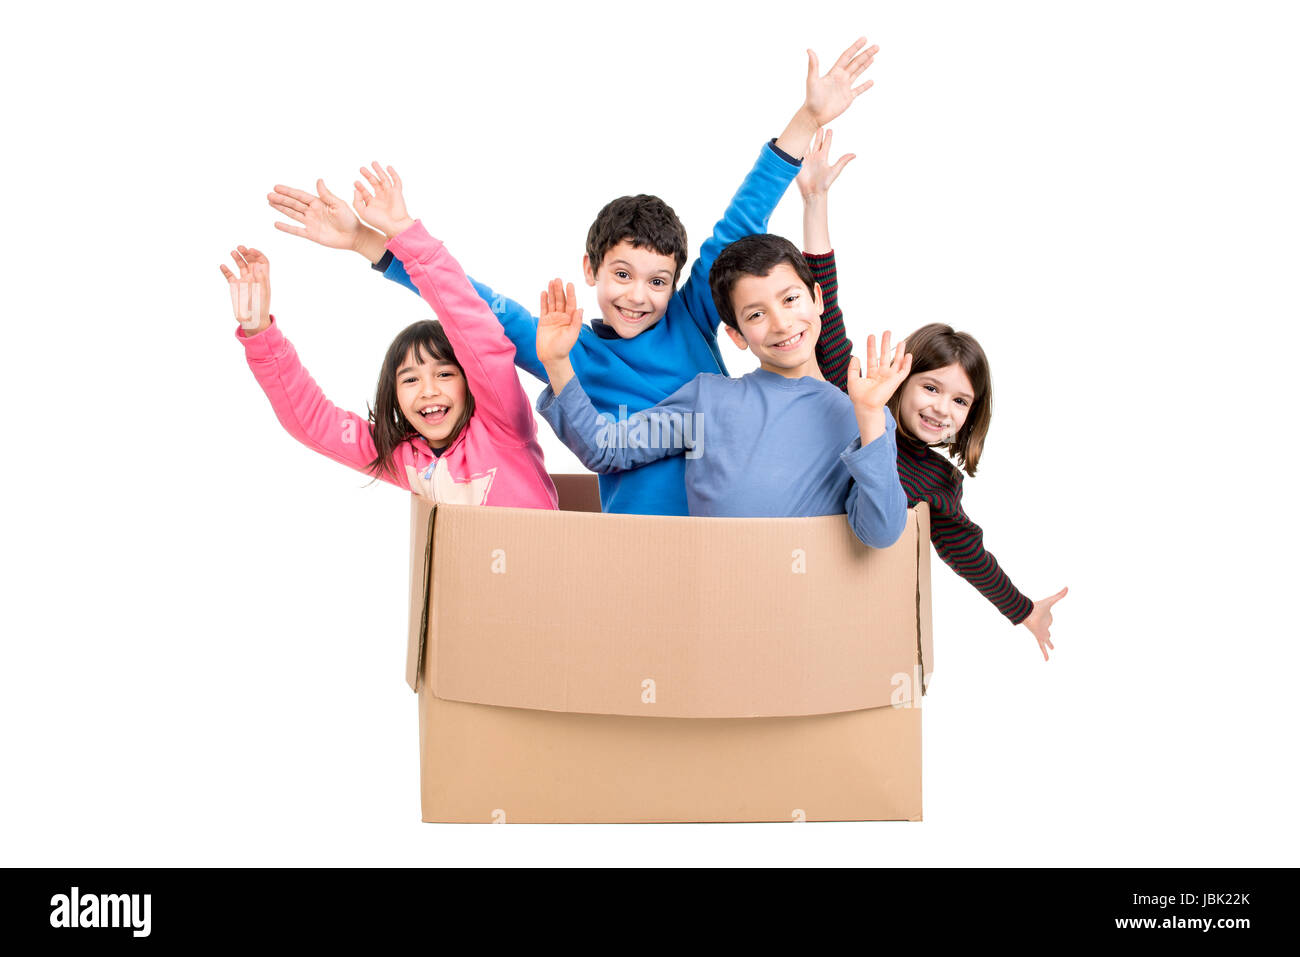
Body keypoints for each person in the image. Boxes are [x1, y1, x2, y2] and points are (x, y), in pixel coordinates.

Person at [267, 38, 880, 515]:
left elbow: (741, 219)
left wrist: (806, 118)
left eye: (657, 281)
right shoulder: (564, 347)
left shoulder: (692, 318)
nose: (638, 296)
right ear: (590, 270)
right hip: (636, 555)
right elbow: (469, 305)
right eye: (621, 274)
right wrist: (366, 242)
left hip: (727, 542)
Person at [531, 233, 910, 549]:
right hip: (710, 608)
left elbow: (880, 533)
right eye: (756, 314)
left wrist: (870, 416)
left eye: (790, 299)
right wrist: (557, 363)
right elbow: (606, 447)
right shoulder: (707, 402)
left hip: (800, 616)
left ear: (818, 297)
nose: (781, 323)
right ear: (736, 335)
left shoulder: (863, 419)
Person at [221, 170, 556, 509]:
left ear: (471, 381)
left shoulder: (503, 424)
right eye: (410, 379)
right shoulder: (406, 458)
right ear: (393, 394)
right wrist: (258, 330)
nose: (428, 390)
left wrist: (404, 234)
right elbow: (312, 422)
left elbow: (476, 332)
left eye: (444, 374)